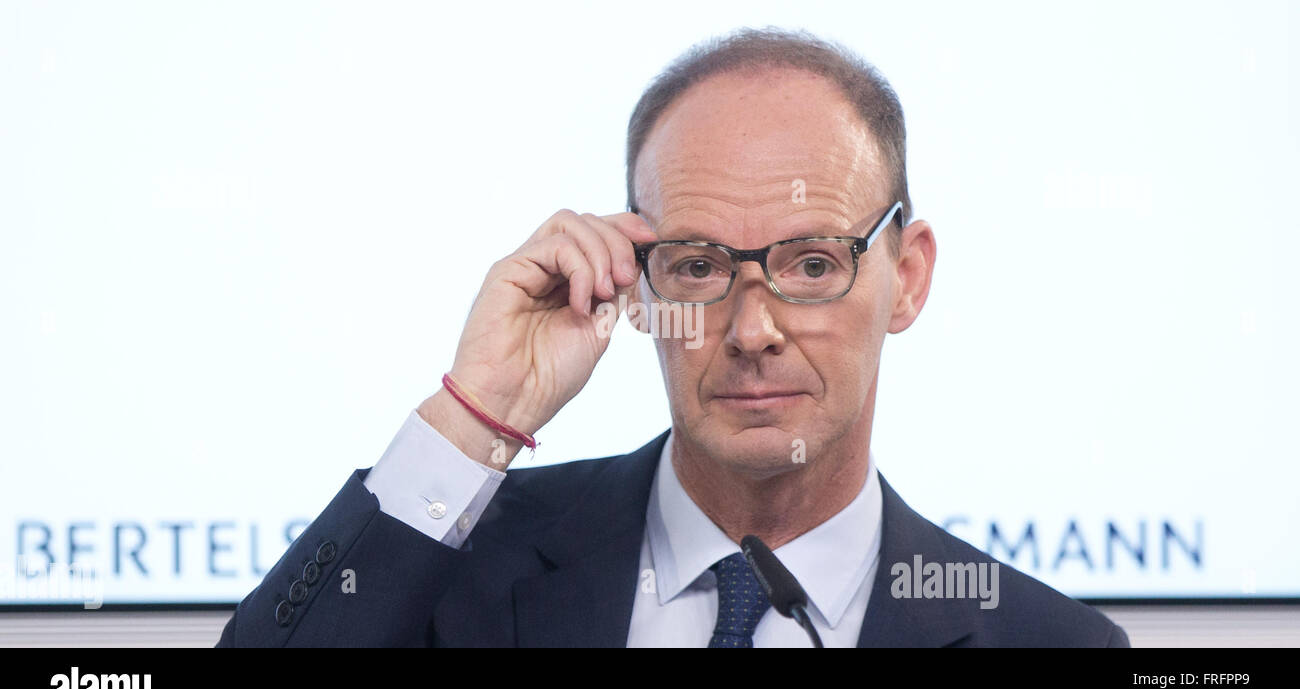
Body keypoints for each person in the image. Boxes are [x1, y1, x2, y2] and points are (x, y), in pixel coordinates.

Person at [217, 27, 1129, 647]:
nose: (752, 328)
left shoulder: (1048, 641)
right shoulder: (459, 568)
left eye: (813, 264)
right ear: (635, 281)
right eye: (696, 265)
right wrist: (476, 414)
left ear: (909, 278)